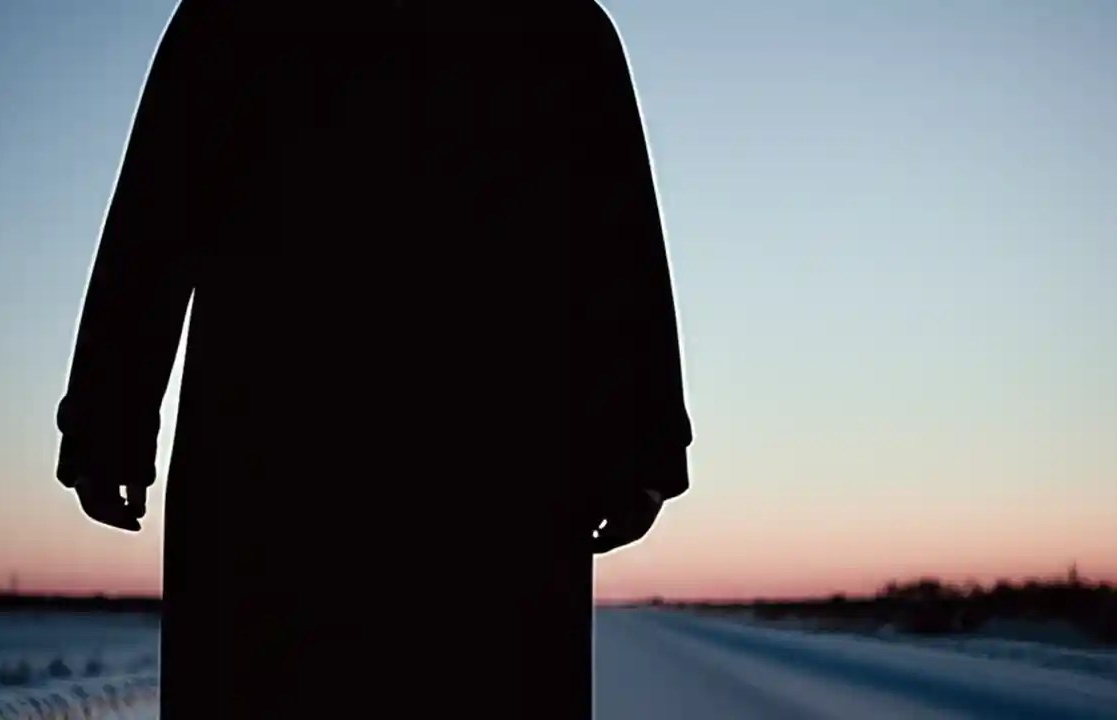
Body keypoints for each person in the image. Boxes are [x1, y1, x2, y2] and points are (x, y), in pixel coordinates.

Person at [53, 1, 691, 717]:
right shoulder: (557, 23)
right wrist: (645, 442)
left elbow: (154, 220)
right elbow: (620, 251)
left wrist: (107, 423)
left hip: (286, 466)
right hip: (484, 475)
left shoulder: (234, 18)